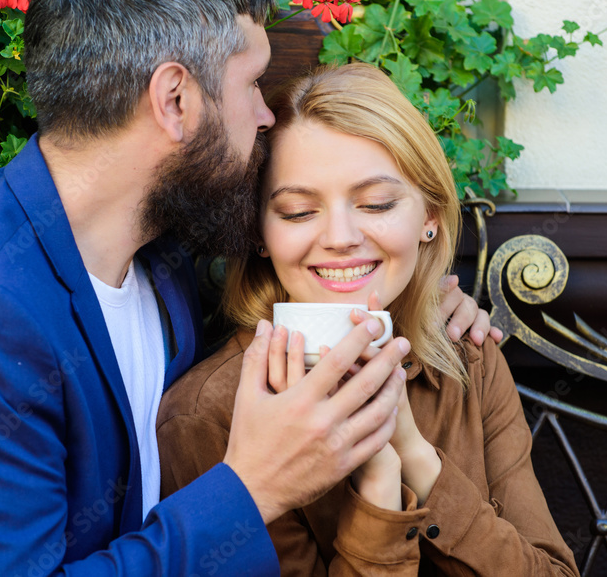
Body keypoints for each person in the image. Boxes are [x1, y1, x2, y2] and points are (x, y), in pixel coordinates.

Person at [0, 0, 494, 576]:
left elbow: (299, 270)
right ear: (176, 100)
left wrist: (418, 286)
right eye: (251, 85)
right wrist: (253, 486)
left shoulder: (160, 256)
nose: (264, 115)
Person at [157, 63, 578, 575]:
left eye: (376, 203)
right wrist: (379, 485)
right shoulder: (208, 414)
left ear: (428, 217)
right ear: (259, 234)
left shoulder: (469, 356)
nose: (340, 236)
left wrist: (416, 456)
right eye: (297, 211)